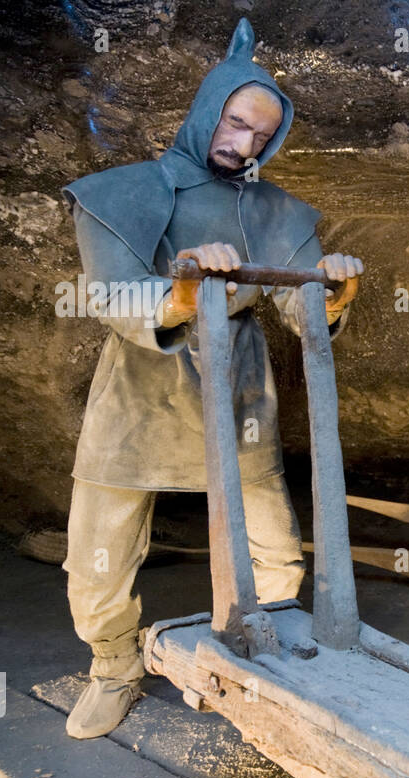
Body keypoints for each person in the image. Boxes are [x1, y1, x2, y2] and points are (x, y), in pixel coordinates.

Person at [59, 18, 364, 738]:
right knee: (97, 556)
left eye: (262, 136)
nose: (245, 145)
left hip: (237, 396)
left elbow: (300, 304)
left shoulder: (277, 210)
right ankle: (114, 667)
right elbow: (110, 295)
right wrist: (187, 289)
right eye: (235, 124)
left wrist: (333, 291)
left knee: (274, 550)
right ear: (207, 111)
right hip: (139, 390)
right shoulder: (121, 193)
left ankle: (275, 662)